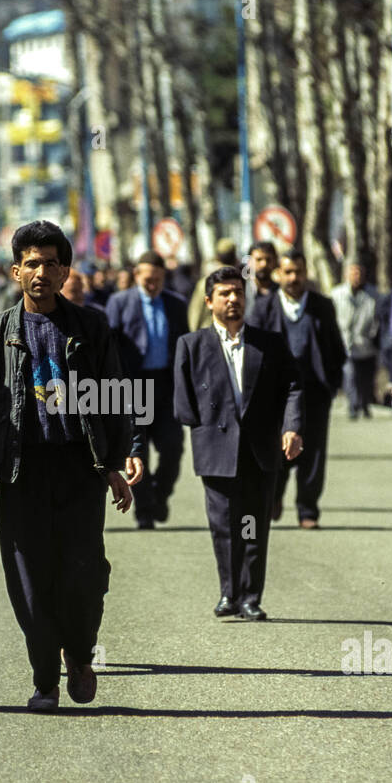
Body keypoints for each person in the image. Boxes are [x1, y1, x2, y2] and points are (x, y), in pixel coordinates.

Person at [0, 220, 141, 712]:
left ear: (65, 271)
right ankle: (44, 680)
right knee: (29, 579)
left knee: (84, 573)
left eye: (51, 263)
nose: (41, 272)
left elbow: (116, 394)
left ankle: (79, 654)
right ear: (16, 271)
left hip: (80, 468)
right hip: (20, 469)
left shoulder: (91, 327)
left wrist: (119, 462)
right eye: (31, 263)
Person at [174, 267, 303, 621]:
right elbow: (182, 399)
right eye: (225, 294)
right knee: (224, 525)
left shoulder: (270, 344)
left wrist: (291, 428)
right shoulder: (192, 344)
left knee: (252, 524)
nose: (233, 300)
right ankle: (228, 593)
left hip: (259, 451)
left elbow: (292, 386)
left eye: (238, 293)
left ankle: (250, 597)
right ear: (209, 301)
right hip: (216, 449)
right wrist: (200, 427)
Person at [247, 250, 346, 528]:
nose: (293, 278)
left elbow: (337, 349)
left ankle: (307, 510)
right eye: (288, 272)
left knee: (312, 452)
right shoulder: (264, 308)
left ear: (306, 274)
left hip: (314, 392)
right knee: (276, 450)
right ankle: (274, 496)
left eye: (299, 272)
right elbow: (252, 351)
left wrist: (332, 382)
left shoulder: (321, 306)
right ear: (279, 274)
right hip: (275, 395)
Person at [107, 249, 189, 528]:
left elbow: (185, 346)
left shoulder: (176, 304)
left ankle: (160, 494)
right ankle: (144, 509)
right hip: (134, 388)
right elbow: (111, 346)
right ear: (136, 276)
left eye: (158, 279)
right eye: (147, 279)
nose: (152, 284)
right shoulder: (119, 303)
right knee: (136, 452)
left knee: (173, 448)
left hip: (166, 386)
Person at [331, 258, 379, 419]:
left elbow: (378, 319)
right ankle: (353, 406)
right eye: (353, 273)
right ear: (346, 275)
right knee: (350, 375)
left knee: (366, 378)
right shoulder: (336, 294)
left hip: (366, 344)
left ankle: (365, 404)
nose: (356, 277)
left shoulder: (373, 295)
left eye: (359, 273)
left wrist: (374, 335)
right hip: (345, 344)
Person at [190, 239, 239, 333]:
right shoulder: (240, 282)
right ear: (235, 258)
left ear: (217, 257)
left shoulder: (205, 282)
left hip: (208, 334)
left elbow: (195, 314)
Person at [246, 240, 279, 305]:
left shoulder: (281, 293)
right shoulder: (242, 291)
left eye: (268, 260)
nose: (264, 264)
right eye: (259, 259)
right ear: (249, 262)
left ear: (275, 262)